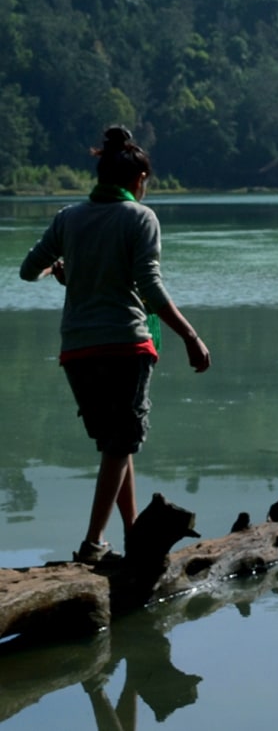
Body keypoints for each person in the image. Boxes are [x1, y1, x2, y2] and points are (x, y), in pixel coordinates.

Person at [19, 125, 211, 564]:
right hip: (125, 346)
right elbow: (150, 287)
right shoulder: (139, 218)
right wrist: (191, 337)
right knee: (120, 444)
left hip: (79, 351)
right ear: (137, 180)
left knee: (115, 444)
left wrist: (62, 270)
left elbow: (30, 270)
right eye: (145, 182)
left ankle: (131, 534)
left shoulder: (69, 217)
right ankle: (93, 544)